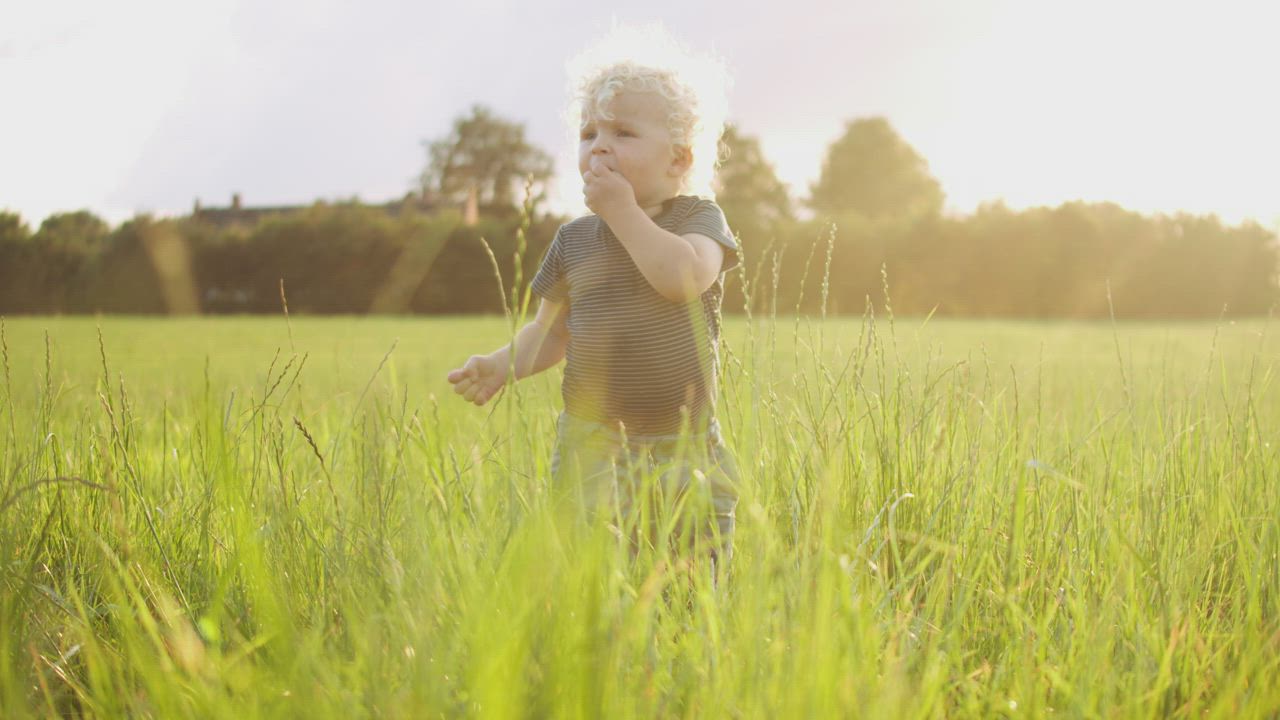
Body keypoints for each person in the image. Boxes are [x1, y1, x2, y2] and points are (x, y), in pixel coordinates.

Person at [446, 56, 740, 572]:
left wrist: (623, 211)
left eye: (623, 132)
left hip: (685, 443)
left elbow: (683, 280)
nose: (599, 146)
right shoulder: (575, 239)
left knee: (693, 567)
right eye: (588, 133)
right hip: (593, 440)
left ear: (677, 160)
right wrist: (500, 365)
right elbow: (550, 332)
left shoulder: (698, 219)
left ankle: (685, 642)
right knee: (596, 571)